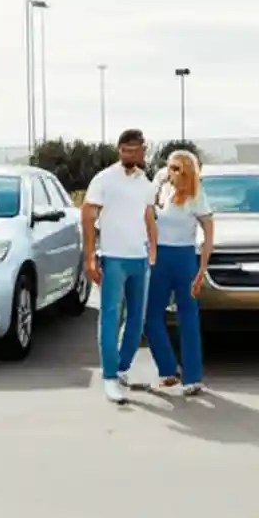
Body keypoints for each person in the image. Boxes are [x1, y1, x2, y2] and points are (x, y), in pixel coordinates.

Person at [81, 129, 158, 405]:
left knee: (137, 319)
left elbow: (148, 216)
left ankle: (123, 368)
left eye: (136, 150)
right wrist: (90, 256)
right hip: (113, 258)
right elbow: (88, 216)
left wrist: (153, 250)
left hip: (139, 258)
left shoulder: (145, 182)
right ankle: (109, 377)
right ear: (120, 150)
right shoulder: (104, 180)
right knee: (111, 315)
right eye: (127, 150)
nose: (132, 155)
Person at [144, 150, 214, 395]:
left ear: (188, 172)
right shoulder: (161, 183)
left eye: (178, 169)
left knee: (189, 316)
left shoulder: (197, 195)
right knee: (150, 314)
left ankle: (193, 377)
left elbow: (209, 233)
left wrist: (202, 269)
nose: (171, 172)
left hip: (185, 257)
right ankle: (167, 370)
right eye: (170, 167)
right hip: (159, 257)